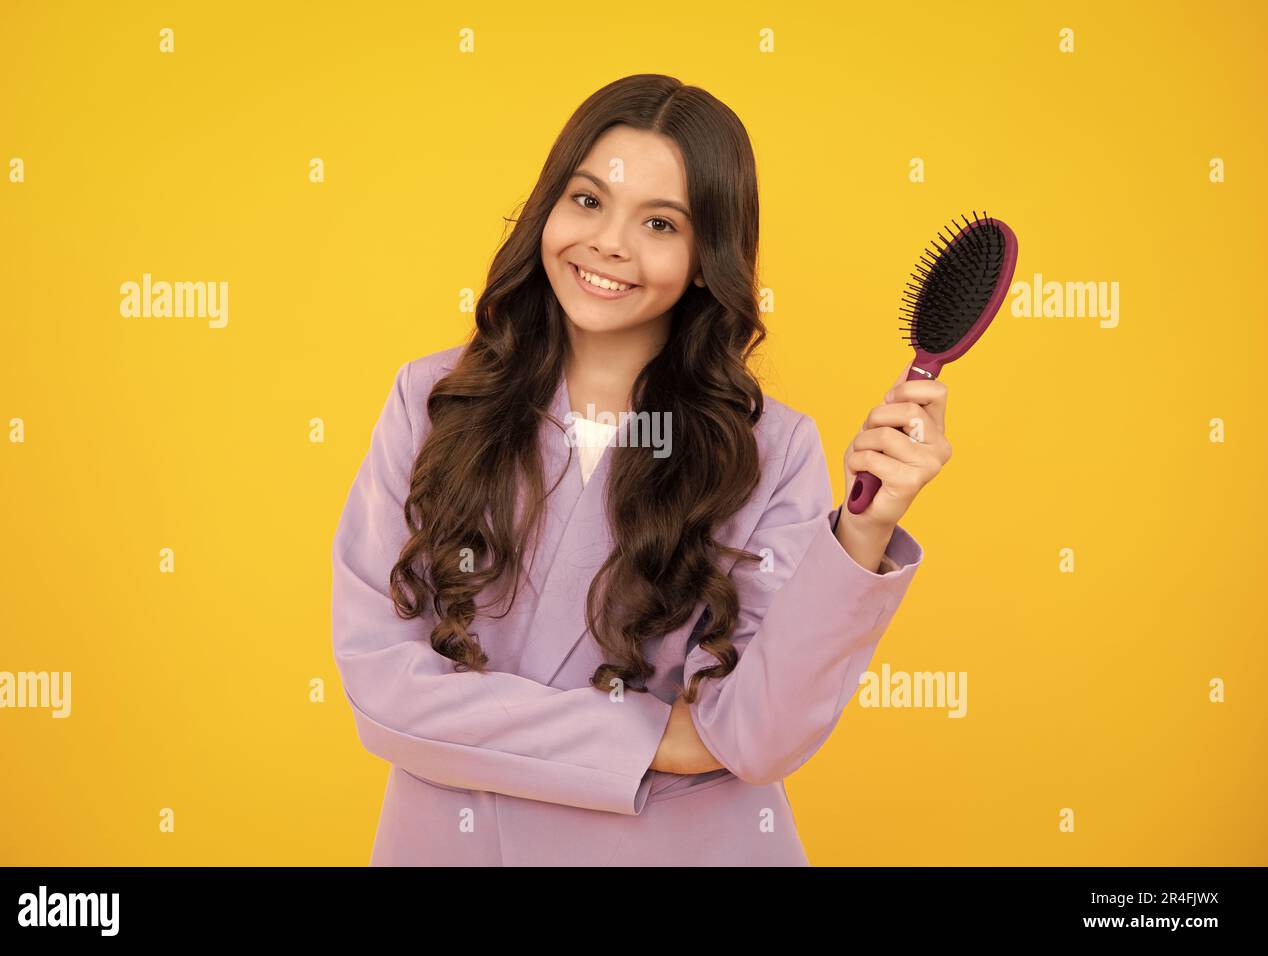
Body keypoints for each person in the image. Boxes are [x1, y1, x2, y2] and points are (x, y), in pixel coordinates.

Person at [330, 73, 950, 866]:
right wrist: (657, 738)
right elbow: (383, 690)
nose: (610, 243)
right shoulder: (432, 401)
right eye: (588, 201)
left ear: (704, 260)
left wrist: (864, 531)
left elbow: (755, 736)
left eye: (660, 222)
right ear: (549, 208)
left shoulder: (770, 454)